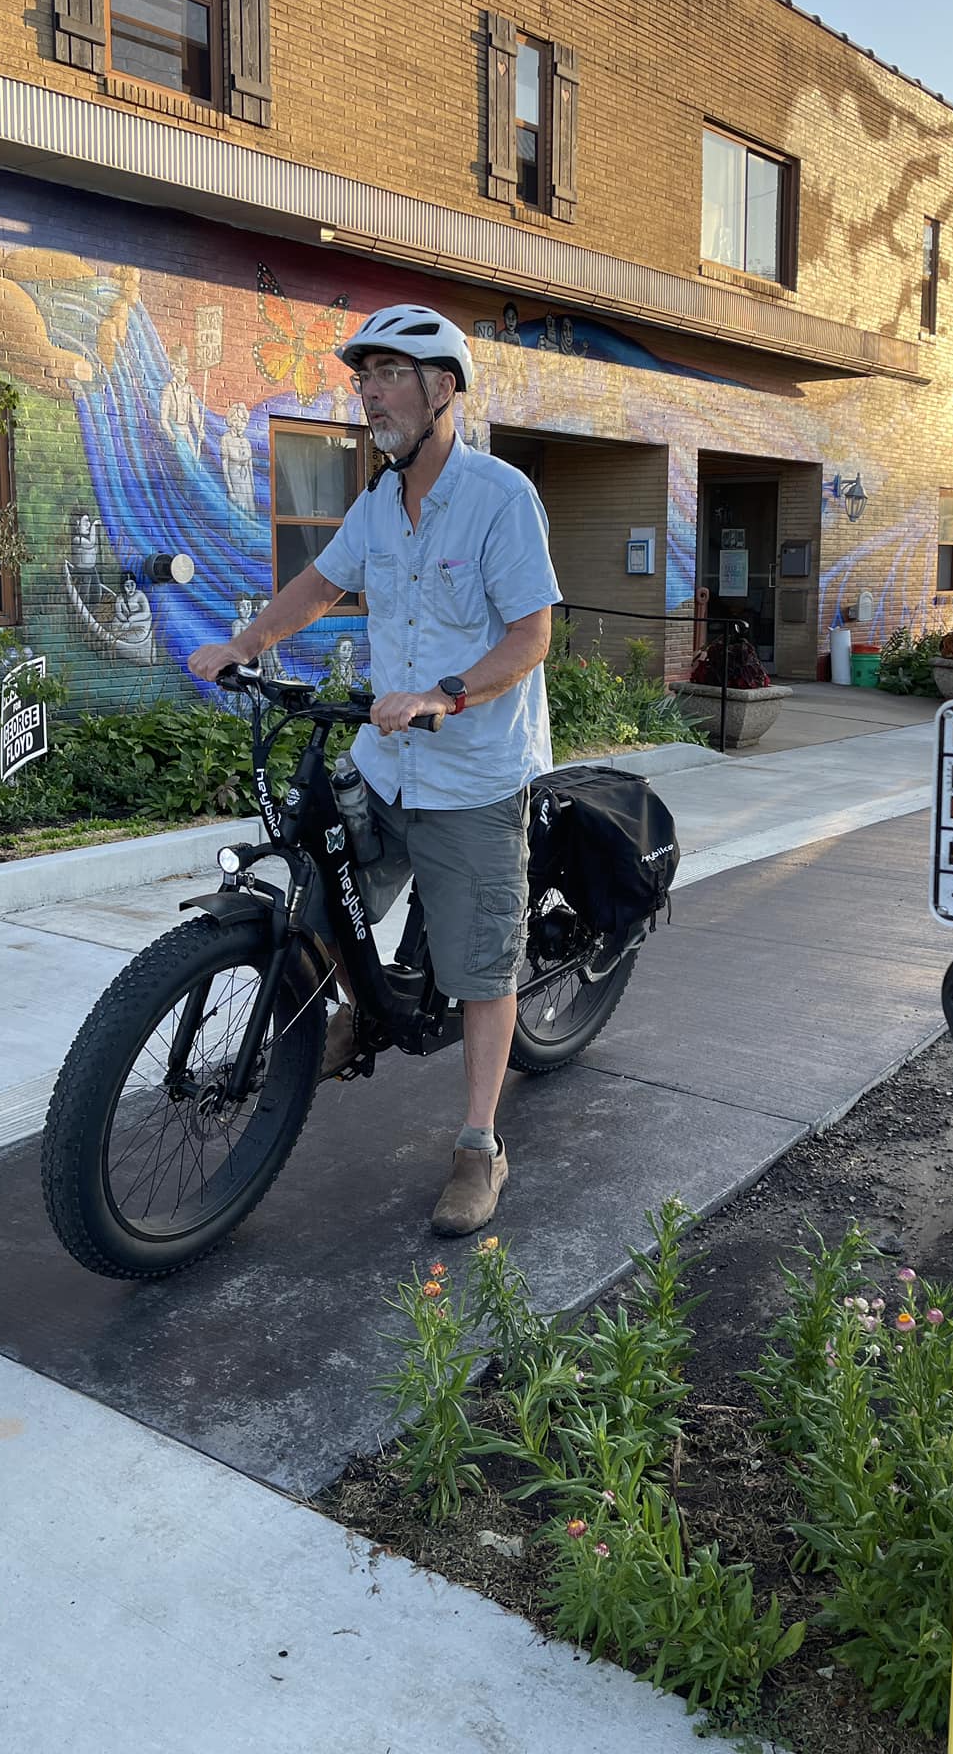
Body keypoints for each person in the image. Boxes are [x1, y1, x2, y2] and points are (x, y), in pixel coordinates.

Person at [188, 306, 559, 1237]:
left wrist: (447, 692)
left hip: (471, 770)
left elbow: (531, 634)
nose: (370, 391)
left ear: (443, 390)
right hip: (385, 757)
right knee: (327, 899)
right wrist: (245, 642)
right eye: (364, 376)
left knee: (480, 965)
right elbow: (322, 584)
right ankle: (358, 1006)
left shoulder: (499, 497)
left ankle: (480, 1144)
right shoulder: (376, 504)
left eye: (390, 372)